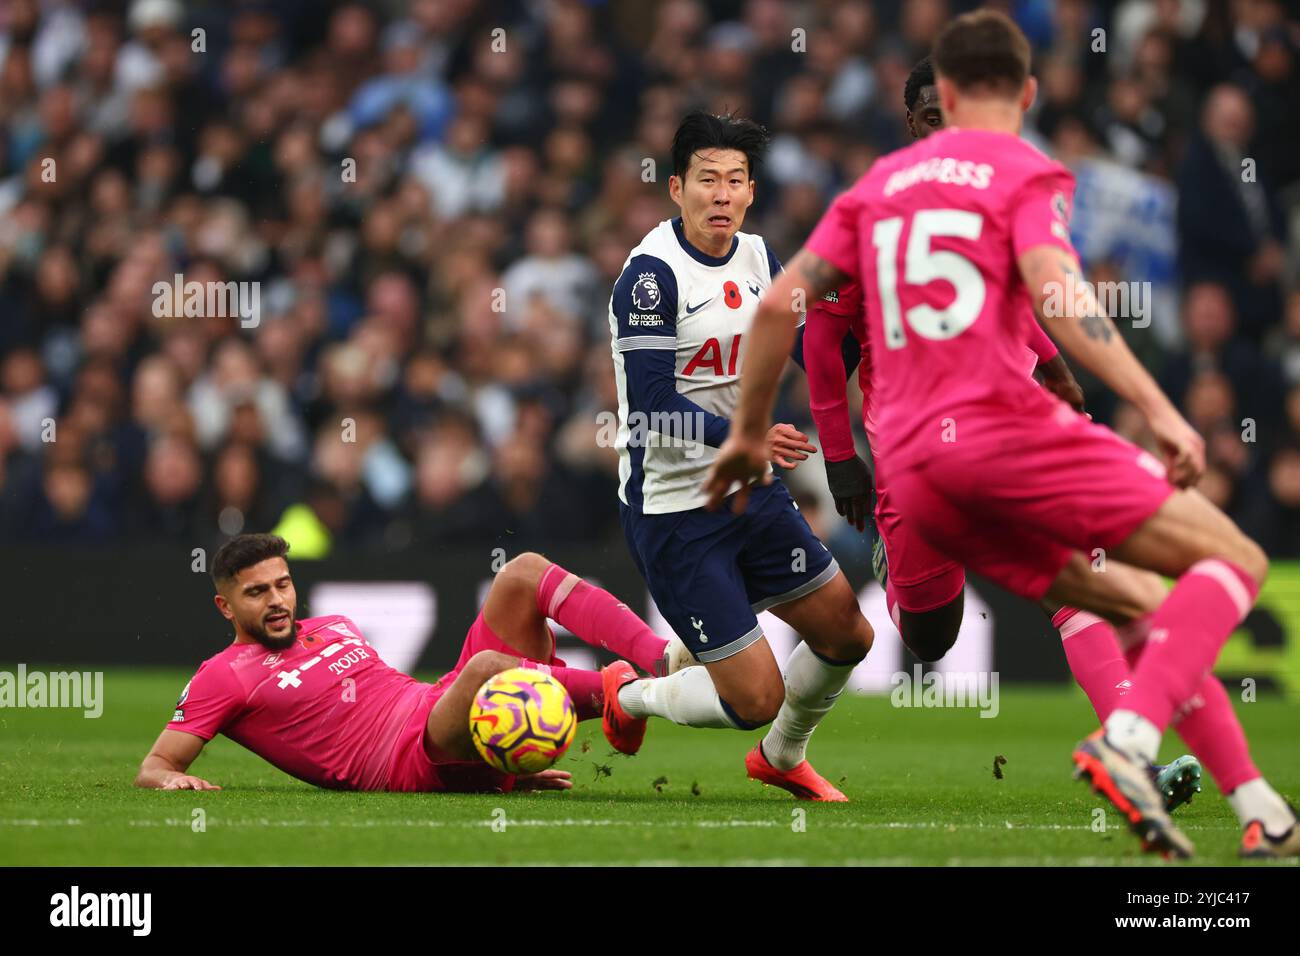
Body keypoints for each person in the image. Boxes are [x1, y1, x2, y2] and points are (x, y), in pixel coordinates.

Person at [706, 10, 1297, 858]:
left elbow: (775, 310)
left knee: (1109, 598)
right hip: (1009, 437)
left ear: (945, 97)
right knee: (1229, 561)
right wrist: (1159, 409)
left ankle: (1257, 807)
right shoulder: (1023, 170)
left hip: (917, 467)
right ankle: (1130, 740)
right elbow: (1058, 294)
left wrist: (747, 433)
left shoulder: (872, 194)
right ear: (1025, 95)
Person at [805, 57, 1202, 813]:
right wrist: (839, 458)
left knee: (1079, 582)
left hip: (1010, 431)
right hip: (915, 455)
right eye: (929, 116)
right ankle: (900, 566)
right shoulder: (869, 208)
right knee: (930, 638)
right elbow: (822, 342)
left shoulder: (999, 195)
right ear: (912, 123)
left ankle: (1130, 753)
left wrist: (1053, 366)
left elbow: (1017, 302)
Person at [600, 110, 875, 801]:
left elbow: (816, 350)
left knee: (849, 635)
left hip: (752, 493)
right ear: (676, 188)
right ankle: (629, 694)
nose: (721, 195)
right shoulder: (650, 277)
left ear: (751, 191)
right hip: (676, 511)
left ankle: (781, 756)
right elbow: (652, 406)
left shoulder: (759, 258)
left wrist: (862, 325)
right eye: (707, 180)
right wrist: (747, 438)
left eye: (734, 180)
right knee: (754, 697)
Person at [134, 533, 671, 794]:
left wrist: (496, 749)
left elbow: (397, 696)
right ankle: (624, 696)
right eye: (257, 592)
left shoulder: (332, 624)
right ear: (225, 606)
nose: (276, 601)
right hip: (406, 759)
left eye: (283, 584)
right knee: (487, 668)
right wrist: (171, 782)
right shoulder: (223, 675)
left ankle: (658, 657)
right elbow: (155, 767)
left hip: (434, 708)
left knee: (523, 572)